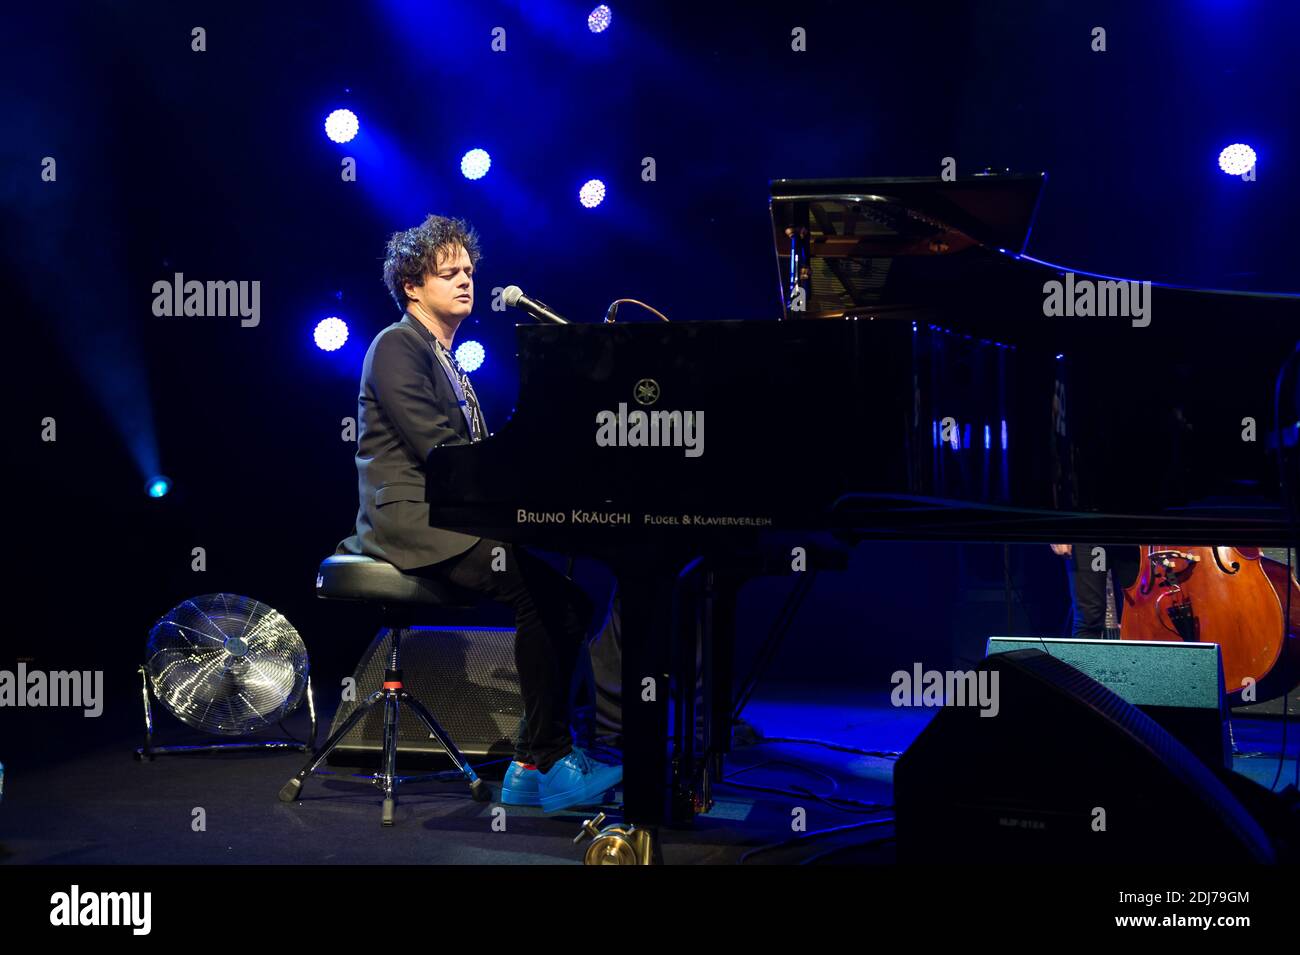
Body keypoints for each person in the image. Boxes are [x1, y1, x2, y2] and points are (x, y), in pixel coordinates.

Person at [336, 214, 622, 812]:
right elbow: (440, 452)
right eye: (449, 272)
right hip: (412, 526)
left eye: (469, 270)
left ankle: (527, 764)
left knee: (570, 602)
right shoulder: (396, 346)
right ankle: (545, 760)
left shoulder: (447, 358)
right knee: (545, 601)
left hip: (450, 521)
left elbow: (477, 456)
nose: (466, 280)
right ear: (413, 286)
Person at [1050, 543, 1138, 639]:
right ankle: (1087, 654)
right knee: (1088, 620)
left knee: (1142, 613)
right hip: (1088, 538)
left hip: (1133, 540)